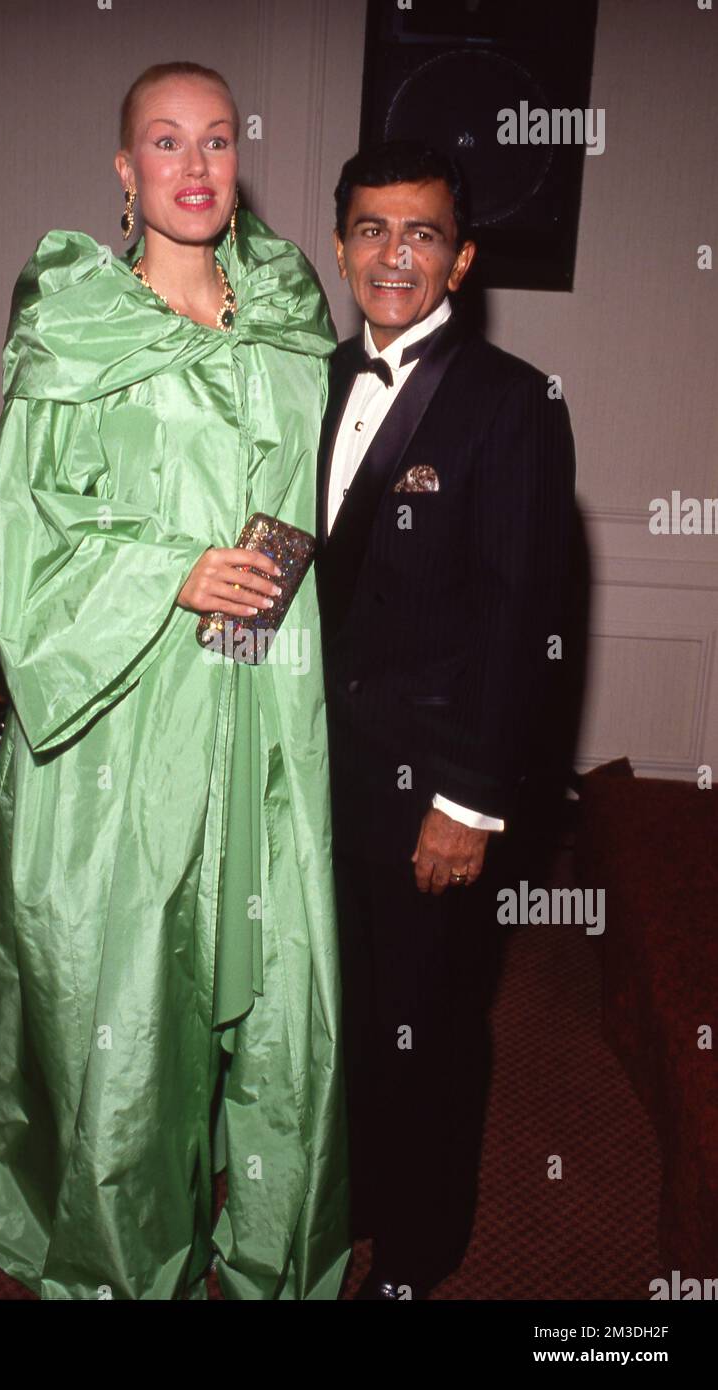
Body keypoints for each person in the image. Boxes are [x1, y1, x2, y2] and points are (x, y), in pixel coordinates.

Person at [0, 61, 349, 1301]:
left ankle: (271, 1269)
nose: (196, 165)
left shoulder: (292, 326)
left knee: (282, 1009)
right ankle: (122, 1276)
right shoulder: (73, 334)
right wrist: (172, 573)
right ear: (124, 174)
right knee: (124, 1018)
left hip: (267, 710)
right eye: (166, 142)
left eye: (219, 140)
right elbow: (16, 539)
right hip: (121, 723)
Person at [315, 141, 576, 1299]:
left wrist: (468, 803)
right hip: (310, 778)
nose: (392, 253)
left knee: (430, 1031)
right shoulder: (308, 380)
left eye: (420, 233)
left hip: (432, 794)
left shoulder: (511, 405)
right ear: (338, 245)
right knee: (343, 1020)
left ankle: (418, 1254)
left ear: (460, 259)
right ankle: (353, 1195)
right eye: (371, 228)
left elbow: (527, 621)